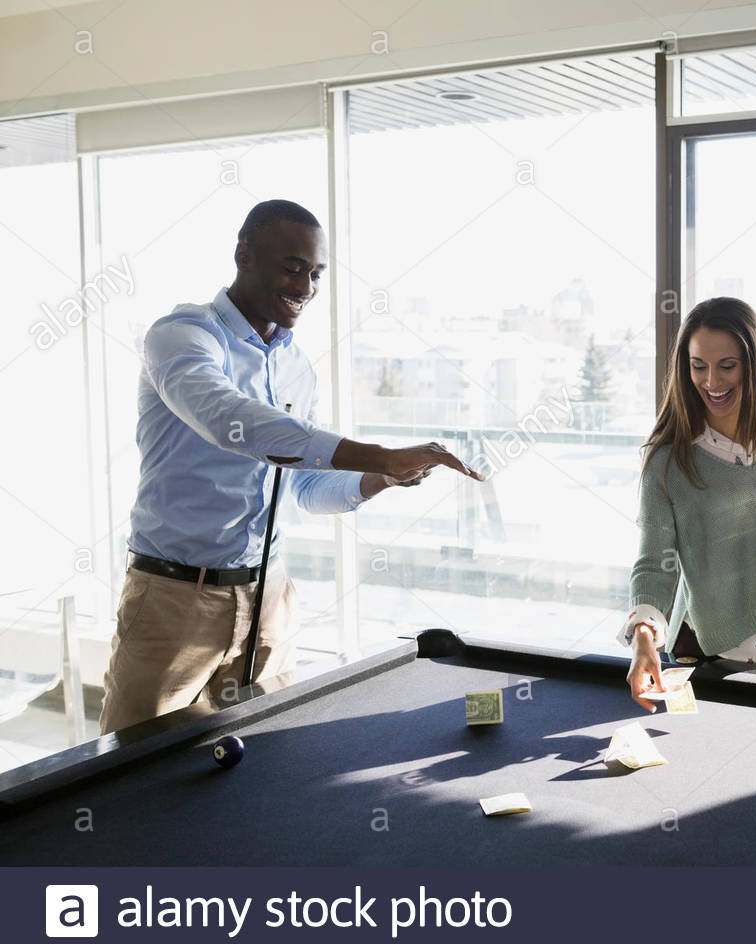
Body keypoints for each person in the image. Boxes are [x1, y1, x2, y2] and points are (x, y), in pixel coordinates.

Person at [99, 200, 482, 733]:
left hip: (269, 596)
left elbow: (303, 487)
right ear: (244, 256)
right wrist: (378, 453)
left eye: (316, 273)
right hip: (172, 600)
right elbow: (231, 421)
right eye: (292, 267)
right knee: (131, 776)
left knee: (267, 754)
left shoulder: (295, 366)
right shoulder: (183, 335)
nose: (306, 286)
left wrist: (381, 478)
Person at [622, 298, 756, 711]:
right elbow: (654, 563)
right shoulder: (668, 460)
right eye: (698, 366)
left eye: (728, 365)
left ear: (752, 361)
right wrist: (644, 639)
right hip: (708, 647)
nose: (711, 381)